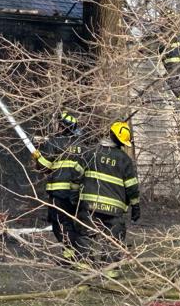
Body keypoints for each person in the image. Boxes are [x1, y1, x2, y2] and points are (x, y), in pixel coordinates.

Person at [73, 121, 139, 268]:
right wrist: (136, 206)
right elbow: (132, 187)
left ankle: (84, 268)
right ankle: (109, 270)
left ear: (110, 134)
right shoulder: (124, 160)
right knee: (113, 240)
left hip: (89, 206)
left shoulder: (91, 153)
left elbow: (76, 176)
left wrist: (73, 198)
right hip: (114, 210)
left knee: (84, 235)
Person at [33, 111, 85, 256]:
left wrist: (37, 156)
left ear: (63, 126)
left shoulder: (54, 142)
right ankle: (71, 255)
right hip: (77, 192)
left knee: (59, 224)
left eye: (60, 124)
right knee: (72, 223)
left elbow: (45, 167)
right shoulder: (81, 144)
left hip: (58, 192)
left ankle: (74, 253)